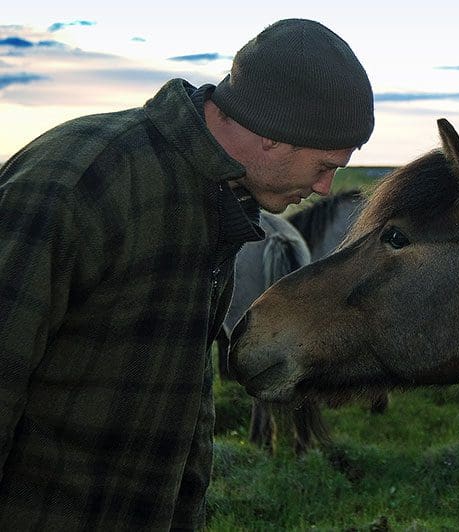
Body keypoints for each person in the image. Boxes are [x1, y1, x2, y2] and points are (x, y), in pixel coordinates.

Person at [0, 18, 373, 530]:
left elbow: (180, 399)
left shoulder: (216, 197)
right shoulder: (80, 182)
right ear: (273, 135)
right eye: (324, 165)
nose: (326, 188)